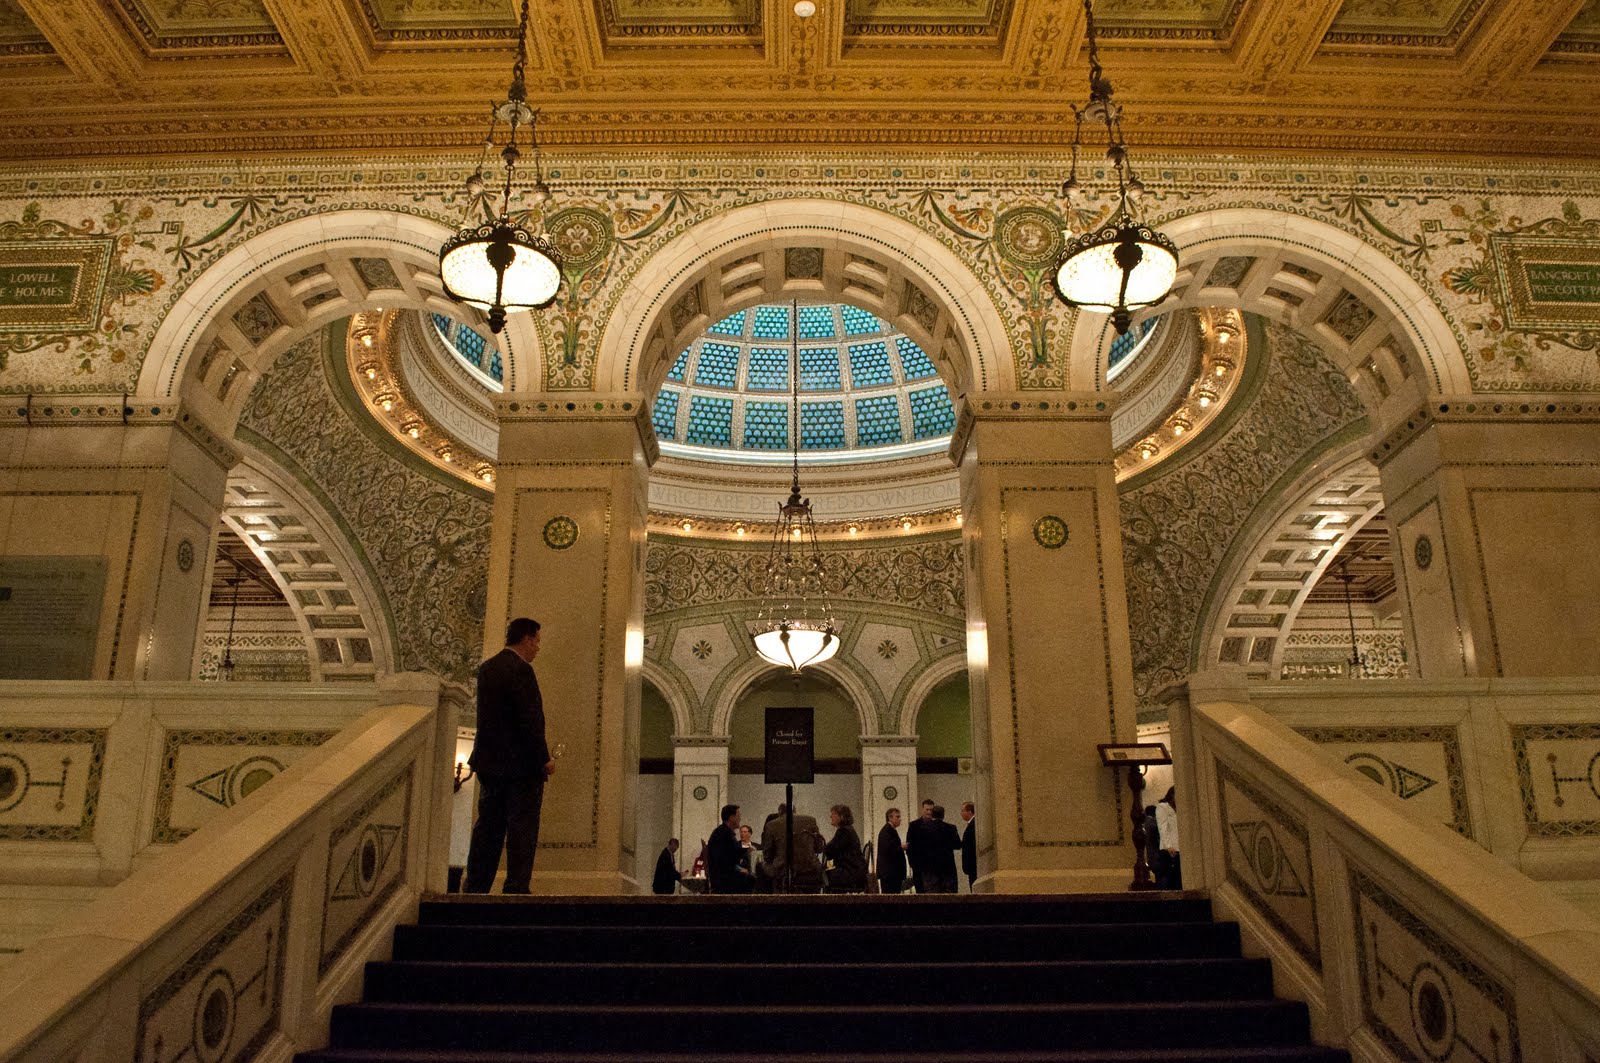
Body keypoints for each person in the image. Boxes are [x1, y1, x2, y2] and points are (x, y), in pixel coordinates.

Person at [464, 617, 554, 894]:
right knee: (522, 828)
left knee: (487, 828)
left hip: (490, 764)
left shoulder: (488, 668)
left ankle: (476, 887)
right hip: (522, 767)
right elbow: (529, 720)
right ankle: (516, 887)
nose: (538, 648)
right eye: (537, 641)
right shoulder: (522, 670)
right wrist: (544, 758)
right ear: (526, 639)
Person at [760, 801, 826, 892]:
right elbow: (819, 847)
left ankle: (767, 900)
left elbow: (767, 856)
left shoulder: (771, 825)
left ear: (780, 812)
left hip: (783, 870)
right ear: (794, 811)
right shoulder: (811, 820)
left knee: (760, 866)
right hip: (811, 868)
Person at [707, 804, 755, 894]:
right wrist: (747, 850)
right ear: (731, 817)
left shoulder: (722, 831)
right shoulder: (725, 833)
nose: (740, 818)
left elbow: (730, 854)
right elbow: (730, 857)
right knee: (752, 879)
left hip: (721, 876)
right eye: (738, 816)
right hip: (724, 879)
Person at [918, 804, 963, 894]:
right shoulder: (951, 828)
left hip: (930, 867)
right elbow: (957, 845)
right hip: (948, 867)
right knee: (949, 896)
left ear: (932, 814)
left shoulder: (923, 828)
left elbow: (919, 847)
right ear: (943, 815)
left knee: (932, 896)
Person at [823, 804, 867, 892]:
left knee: (822, 875)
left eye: (833, 814)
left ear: (841, 817)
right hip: (855, 869)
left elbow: (830, 850)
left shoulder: (844, 831)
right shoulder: (848, 830)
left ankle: (830, 903)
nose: (830, 816)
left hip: (851, 871)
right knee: (826, 872)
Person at [904, 799, 936, 892]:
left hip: (933, 865)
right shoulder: (914, 825)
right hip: (918, 864)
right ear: (922, 809)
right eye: (927, 809)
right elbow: (909, 844)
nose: (929, 812)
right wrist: (912, 862)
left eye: (931, 810)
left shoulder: (937, 825)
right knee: (920, 889)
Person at [1154, 787, 1181, 890]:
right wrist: (1168, 846)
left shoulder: (1180, 809)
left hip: (1179, 847)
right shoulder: (1163, 807)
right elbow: (1163, 827)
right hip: (1169, 849)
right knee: (1169, 878)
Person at [876, 807, 907, 894]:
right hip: (890, 873)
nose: (900, 819)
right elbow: (888, 851)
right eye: (897, 817)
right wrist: (901, 847)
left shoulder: (889, 830)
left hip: (890, 873)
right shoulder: (887, 831)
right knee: (891, 899)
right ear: (890, 818)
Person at [960, 800, 977, 889]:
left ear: (969, 812)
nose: (961, 813)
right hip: (972, 866)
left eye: (963, 811)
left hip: (973, 865)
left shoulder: (974, 825)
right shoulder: (972, 824)